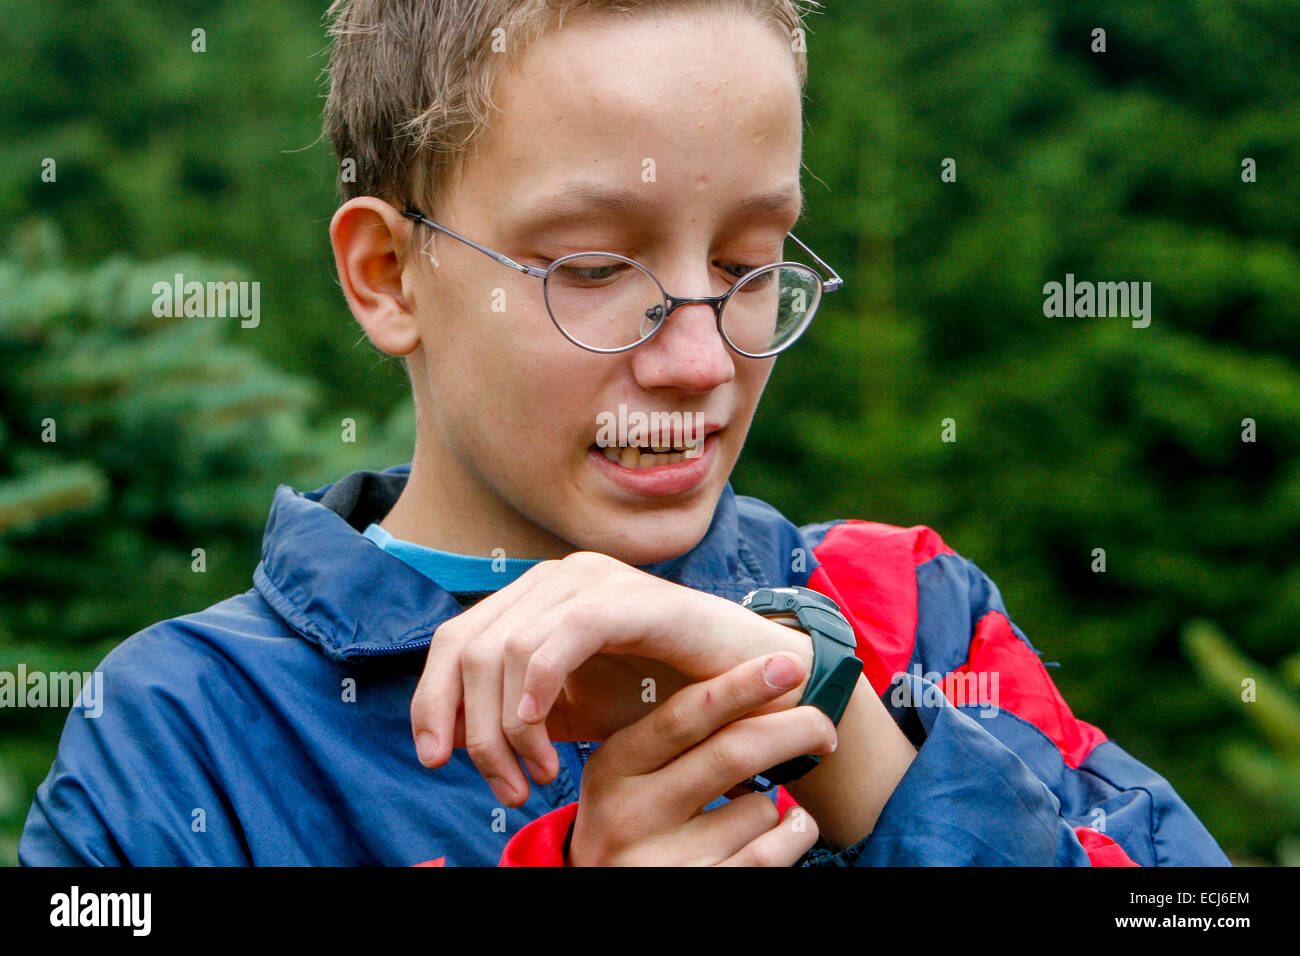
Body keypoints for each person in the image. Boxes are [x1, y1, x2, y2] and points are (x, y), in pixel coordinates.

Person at [20, 0, 1230, 866]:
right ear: (388, 273)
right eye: (594, 267)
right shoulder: (186, 734)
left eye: (751, 264)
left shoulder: (907, 609)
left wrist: (845, 736)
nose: (702, 359)